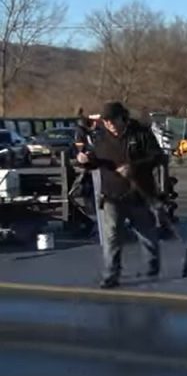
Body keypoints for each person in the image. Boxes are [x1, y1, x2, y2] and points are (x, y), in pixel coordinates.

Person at [79, 101, 164, 289]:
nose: (110, 125)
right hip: (112, 194)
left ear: (122, 118)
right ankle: (111, 274)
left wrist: (134, 168)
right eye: (106, 121)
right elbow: (96, 161)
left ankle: (152, 266)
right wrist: (86, 161)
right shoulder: (100, 137)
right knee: (112, 236)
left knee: (146, 232)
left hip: (139, 192)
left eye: (113, 121)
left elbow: (157, 157)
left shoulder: (141, 134)